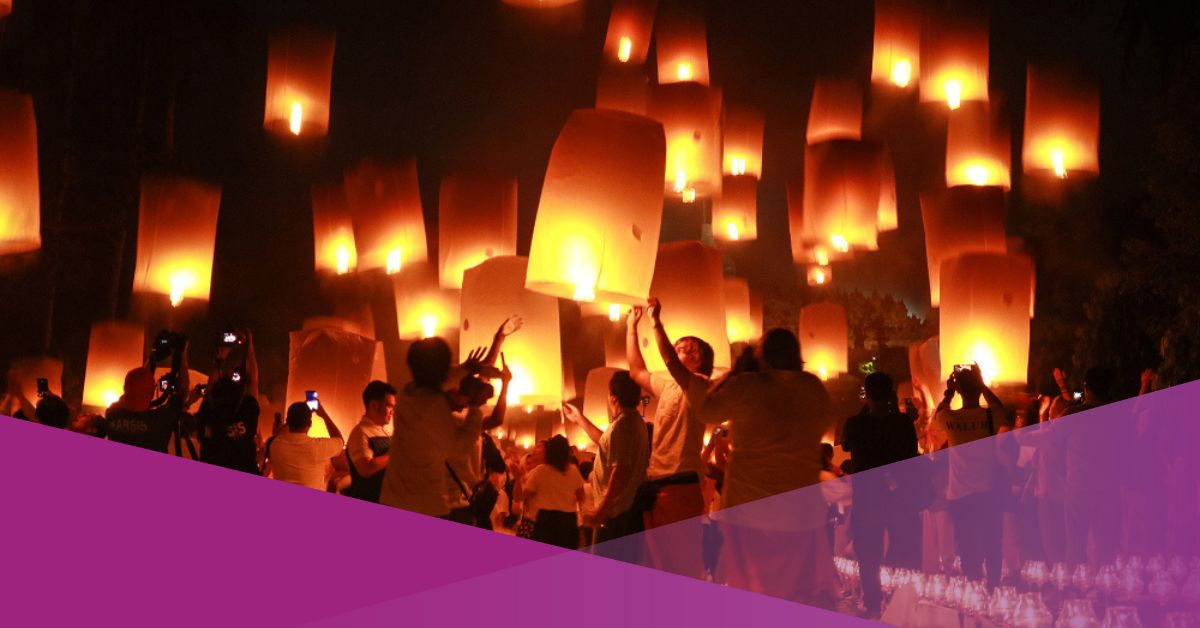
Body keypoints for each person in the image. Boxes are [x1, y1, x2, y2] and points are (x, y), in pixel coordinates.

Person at [697, 328, 837, 609]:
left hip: (749, 507)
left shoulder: (747, 385)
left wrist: (736, 371)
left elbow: (705, 410)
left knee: (752, 591)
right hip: (800, 510)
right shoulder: (813, 388)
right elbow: (825, 422)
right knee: (798, 593)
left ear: (763, 357)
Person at [626, 299, 712, 577]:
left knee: (681, 567)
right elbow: (637, 371)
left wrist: (656, 322)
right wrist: (631, 327)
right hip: (657, 487)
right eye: (678, 346)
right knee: (656, 565)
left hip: (680, 488)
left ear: (700, 362)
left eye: (687, 349)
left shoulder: (700, 386)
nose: (678, 350)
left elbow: (670, 362)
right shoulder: (669, 387)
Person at [842, 372, 922, 618]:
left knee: (867, 554)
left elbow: (845, 445)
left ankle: (874, 603)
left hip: (867, 497)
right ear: (890, 394)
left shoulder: (855, 424)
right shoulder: (901, 424)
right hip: (897, 497)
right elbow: (910, 454)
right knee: (900, 549)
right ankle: (899, 601)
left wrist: (864, 407)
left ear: (867, 394)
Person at [930, 364, 1008, 588]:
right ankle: (992, 586)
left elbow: (938, 414)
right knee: (993, 542)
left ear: (960, 391)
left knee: (966, 545)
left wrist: (949, 392)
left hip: (960, 495)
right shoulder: (990, 415)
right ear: (978, 387)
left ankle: (974, 586)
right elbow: (1000, 407)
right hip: (988, 492)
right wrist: (981, 383)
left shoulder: (951, 419)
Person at [562, 370, 649, 544]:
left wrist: (601, 511)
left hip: (618, 516)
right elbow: (605, 442)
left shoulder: (623, 426)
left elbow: (621, 471)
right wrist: (579, 419)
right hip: (625, 513)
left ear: (613, 397)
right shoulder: (633, 422)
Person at [379, 338, 458, 518]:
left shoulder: (407, 394)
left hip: (393, 498)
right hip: (427, 504)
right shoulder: (437, 406)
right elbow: (457, 448)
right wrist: (475, 412)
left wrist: (465, 369)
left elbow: (433, 380)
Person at [101, 361, 190, 454]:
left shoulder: (112, 413)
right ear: (152, 394)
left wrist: (153, 358)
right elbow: (183, 392)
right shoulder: (160, 420)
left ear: (124, 388)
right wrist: (182, 353)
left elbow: (137, 382)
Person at [523, 435, 585, 548]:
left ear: (549, 452)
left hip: (546, 519)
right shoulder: (573, 471)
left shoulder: (541, 471)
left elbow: (526, 494)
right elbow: (581, 496)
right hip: (568, 520)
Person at [267, 400, 344, 490]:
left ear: (287, 421)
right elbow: (340, 441)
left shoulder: (273, 444)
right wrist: (322, 414)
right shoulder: (318, 447)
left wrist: (297, 415)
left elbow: (276, 435)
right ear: (310, 424)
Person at [195, 375, 260, 475]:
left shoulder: (207, 417)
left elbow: (208, 396)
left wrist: (217, 365)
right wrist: (250, 358)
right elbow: (253, 382)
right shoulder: (247, 412)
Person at [345, 380, 397, 503]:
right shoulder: (360, 432)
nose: (392, 412)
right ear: (374, 405)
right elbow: (365, 469)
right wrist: (395, 454)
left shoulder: (386, 431)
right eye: (389, 406)